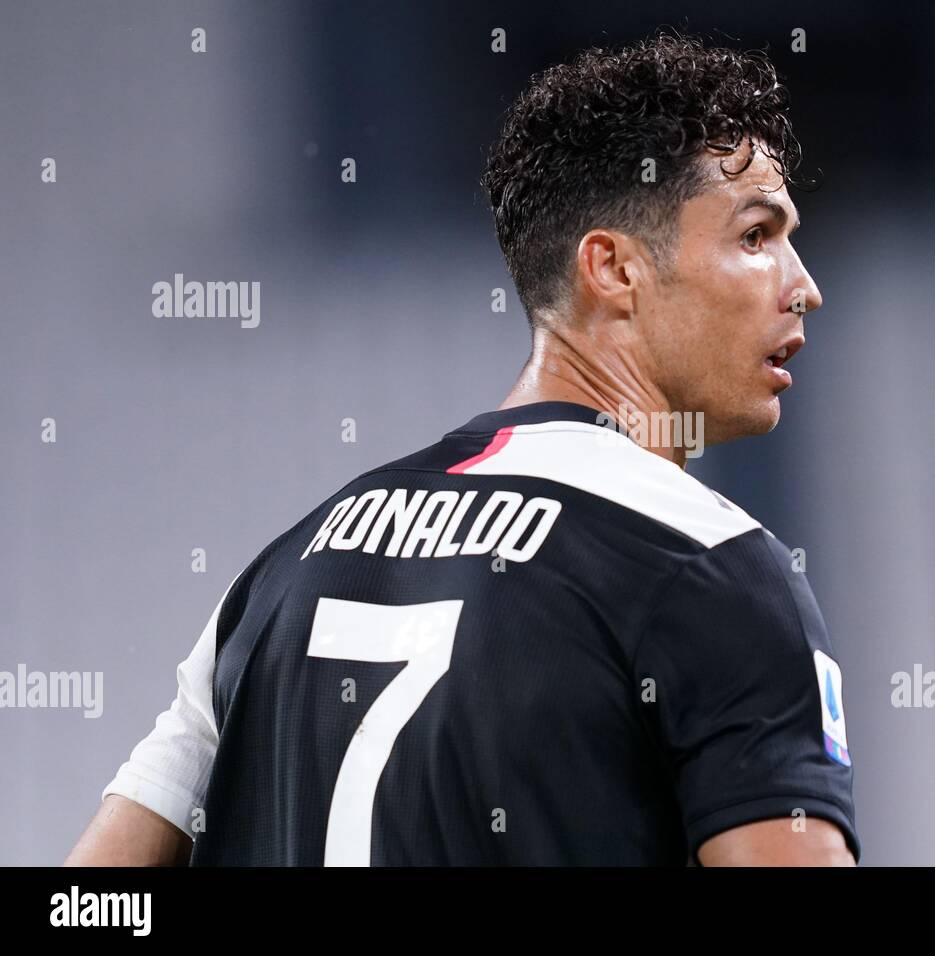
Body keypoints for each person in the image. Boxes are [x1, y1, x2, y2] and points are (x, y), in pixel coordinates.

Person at [65, 30, 858, 866]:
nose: (804, 284)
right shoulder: (710, 570)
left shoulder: (279, 573)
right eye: (757, 236)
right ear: (614, 269)